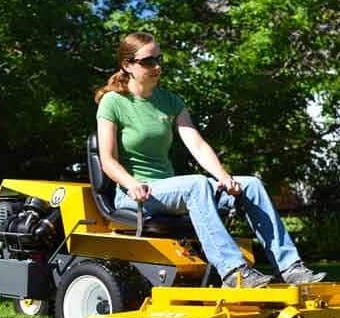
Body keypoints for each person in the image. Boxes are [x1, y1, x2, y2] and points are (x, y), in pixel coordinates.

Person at [94, 32, 325, 288]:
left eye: (159, 59)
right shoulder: (113, 102)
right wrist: (130, 183)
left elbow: (197, 144)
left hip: (170, 192)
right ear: (127, 65)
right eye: (148, 61)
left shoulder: (169, 101)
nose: (157, 66)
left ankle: (290, 267)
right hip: (136, 194)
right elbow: (107, 160)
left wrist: (224, 177)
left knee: (251, 185)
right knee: (197, 185)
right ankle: (234, 273)